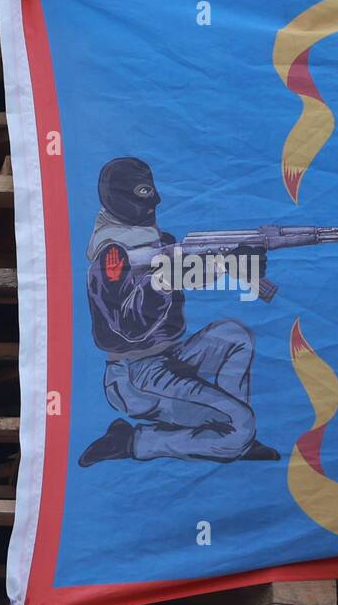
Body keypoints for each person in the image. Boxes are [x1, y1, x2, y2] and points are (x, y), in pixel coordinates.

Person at [78, 156, 280, 466]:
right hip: (134, 376)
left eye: (152, 191)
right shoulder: (112, 256)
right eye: (145, 192)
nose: (156, 200)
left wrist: (235, 263)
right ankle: (134, 442)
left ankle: (227, 431)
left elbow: (193, 274)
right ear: (120, 197)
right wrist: (161, 281)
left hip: (171, 359)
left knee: (234, 335)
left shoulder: (160, 243)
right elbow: (128, 325)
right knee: (240, 426)